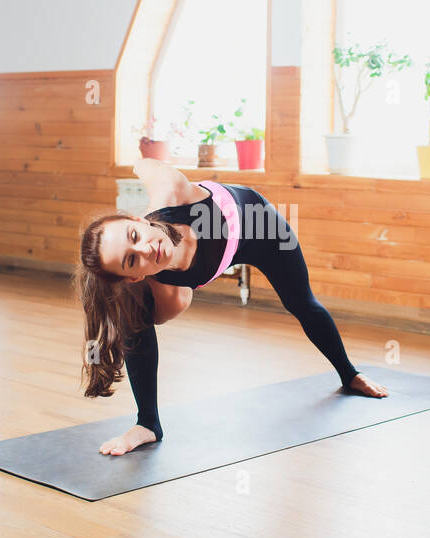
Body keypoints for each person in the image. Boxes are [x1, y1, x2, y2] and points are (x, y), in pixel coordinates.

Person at [74, 158, 389, 455]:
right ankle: (147, 424)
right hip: (188, 273)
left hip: (259, 226)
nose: (146, 248)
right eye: (132, 260)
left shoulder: (171, 192)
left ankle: (349, 374)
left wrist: (138, 160)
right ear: (133, 275)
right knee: (136, 314)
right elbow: (142, 309)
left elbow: (151, 168)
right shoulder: (147, 280)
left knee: (302, 303)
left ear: (135, 218)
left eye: (134, 235)